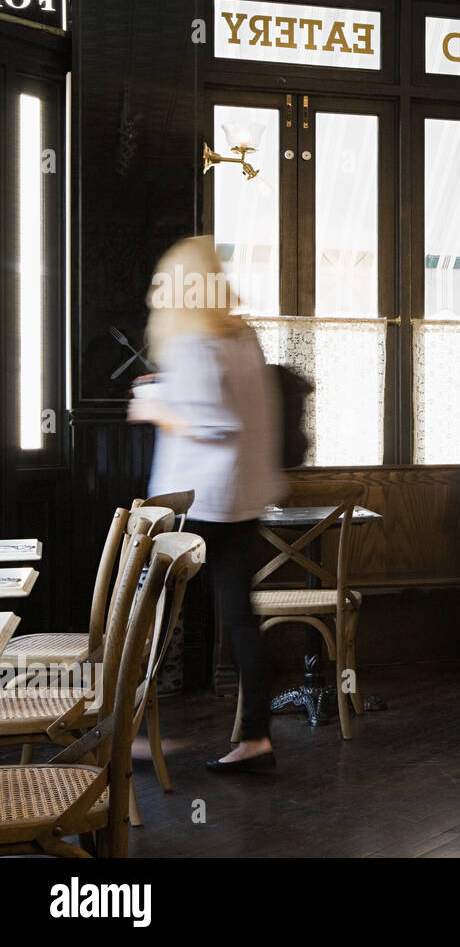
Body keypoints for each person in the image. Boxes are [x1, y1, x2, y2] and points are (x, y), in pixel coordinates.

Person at [128, 236, 286, 774]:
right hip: (242, 499)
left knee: (143, 617)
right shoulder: (243, 337)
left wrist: (154, 407)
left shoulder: (192, 341)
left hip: (194, 505)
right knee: (240, 618)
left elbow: (214, 424)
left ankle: (126, 732)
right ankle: (257, 739)